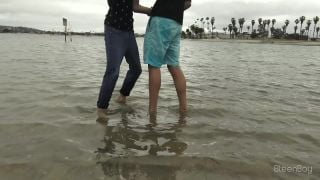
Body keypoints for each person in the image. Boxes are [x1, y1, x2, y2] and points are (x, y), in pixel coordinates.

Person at [97, 0, 152, 119]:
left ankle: (122, 97)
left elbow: (135, 6)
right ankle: (101, 108)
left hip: (129, 32)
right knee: (113, 72)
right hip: (113, 29)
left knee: (136, 69)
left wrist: (152, 11)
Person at [144, 0, 192, 117]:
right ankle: (183, 109)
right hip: (176, 23)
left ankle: (152, 112)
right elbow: (188, 3)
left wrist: (157, 9)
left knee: (154, 65)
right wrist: (174, 9)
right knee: (174, 65)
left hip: (160, 19)